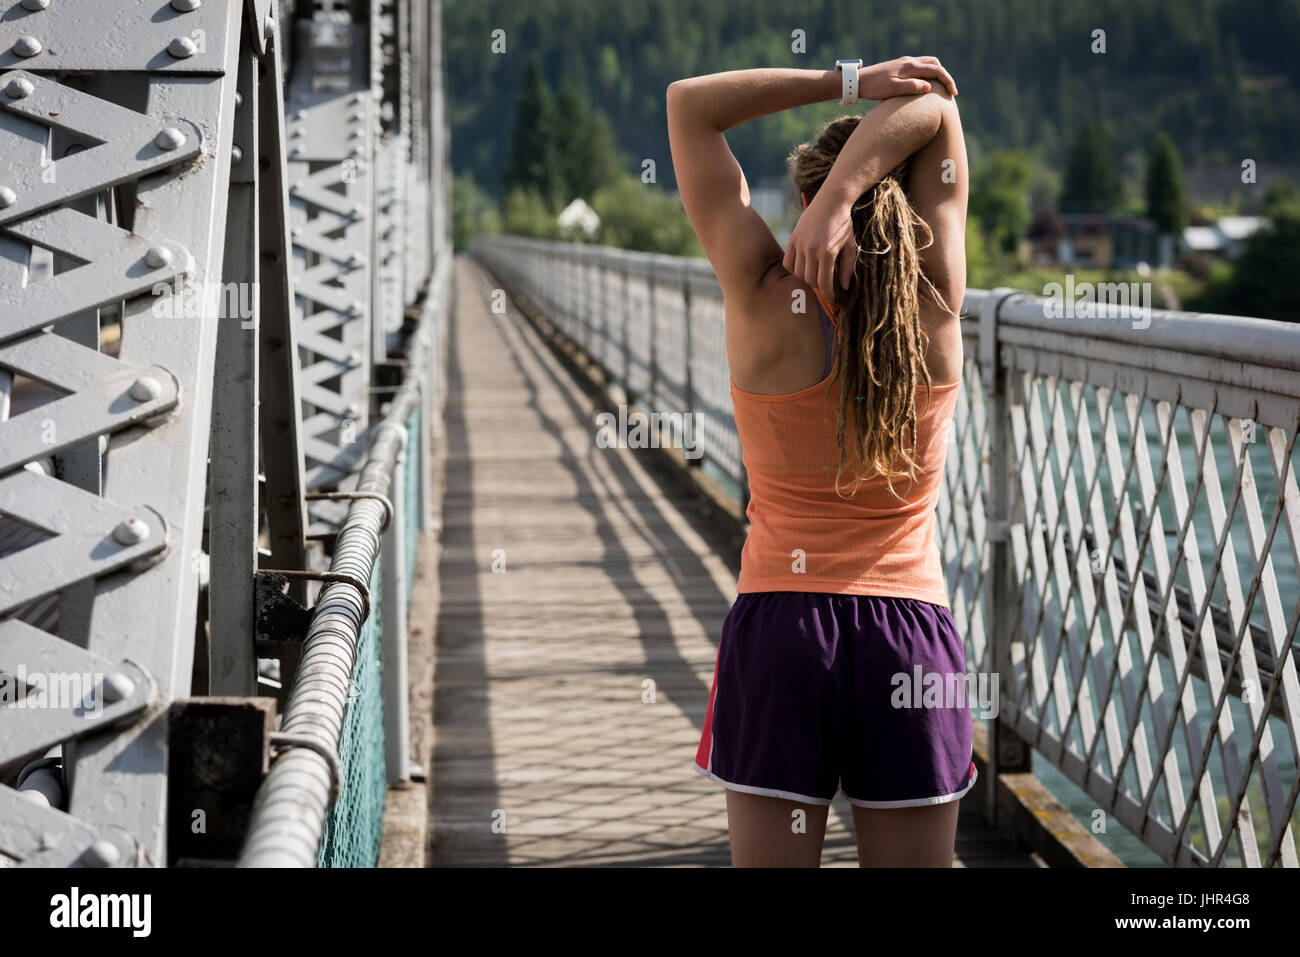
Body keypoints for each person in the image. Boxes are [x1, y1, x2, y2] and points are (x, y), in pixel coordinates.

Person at [666, 57, 971, 867]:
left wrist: (849, 80)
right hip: (909, 636)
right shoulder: (937, 306)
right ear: (911, 211)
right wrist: (849, 196)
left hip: (781, 630)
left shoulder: (762, 294)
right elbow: (937, 104)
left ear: (799, 206)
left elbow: (690, 106)